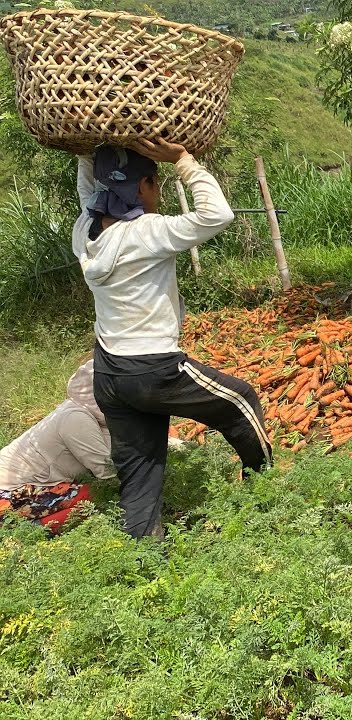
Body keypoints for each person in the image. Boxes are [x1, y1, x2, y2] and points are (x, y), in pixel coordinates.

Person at [73, 139, 272, 540]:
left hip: (109, 374)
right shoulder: (147, 232)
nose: (158, 192)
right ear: (142, 187)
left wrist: (87, 152)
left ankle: (147, 555)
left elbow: (87, 193)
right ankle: (265, 490)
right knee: (241, 401)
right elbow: (218, 215)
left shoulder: (87, 231)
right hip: (154, 368)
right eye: (155, 183)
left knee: (140, 465)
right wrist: (184, 161)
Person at [0, 360, 114, 532]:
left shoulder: (86, 413)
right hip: (9, 494)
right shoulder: (76, 418)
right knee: (97, 495)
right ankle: (31, 532)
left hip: (26, 487)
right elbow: (107, 472)